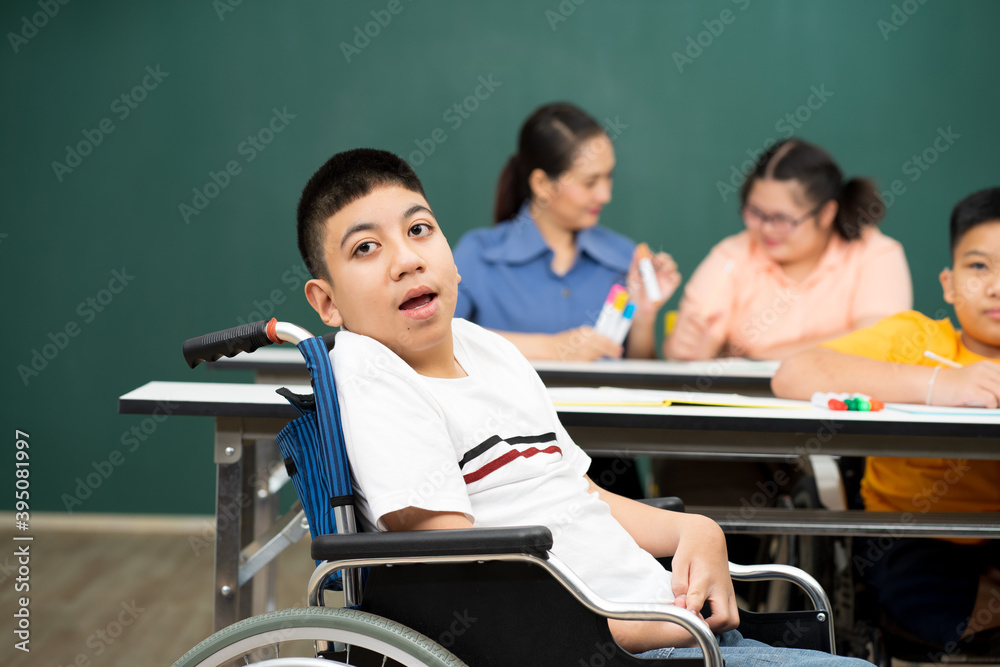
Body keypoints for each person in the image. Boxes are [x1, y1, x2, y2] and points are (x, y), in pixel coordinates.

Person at [296, 147, 872, 665]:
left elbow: (580, 497)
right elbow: (458, 565)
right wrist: (621, 627)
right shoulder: (374, 371)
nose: (406, 259)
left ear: (451, 252)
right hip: (603, 645)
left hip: (665, 625)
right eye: (366, 248)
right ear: (326, 301)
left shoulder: (489, 347)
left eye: (420, 230)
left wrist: (694, 530)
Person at [771, 186, 1000, 649]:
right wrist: (941, 385)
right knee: (940, 608)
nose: (996, 285)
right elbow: (795, 373)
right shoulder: (915, 339)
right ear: (949, 283)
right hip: (913, 539)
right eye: (979, 266)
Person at [452, 102, 681, 361]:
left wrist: (643, 317)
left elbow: (641, 383)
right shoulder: (478, 256)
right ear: (542, 184)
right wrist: (550, 349)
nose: (606, 195)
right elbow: (436, 341)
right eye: (590, 182)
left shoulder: (625, 260)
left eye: (609, 177)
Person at [665, 139, 912, 361]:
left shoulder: (875, 254)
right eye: (755, 213)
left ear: (826, 213)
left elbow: (878, 342)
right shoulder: (731, 256)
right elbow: (697, 349)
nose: (766, 229)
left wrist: (765, 356)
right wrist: (689, 348)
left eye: (781, 219)